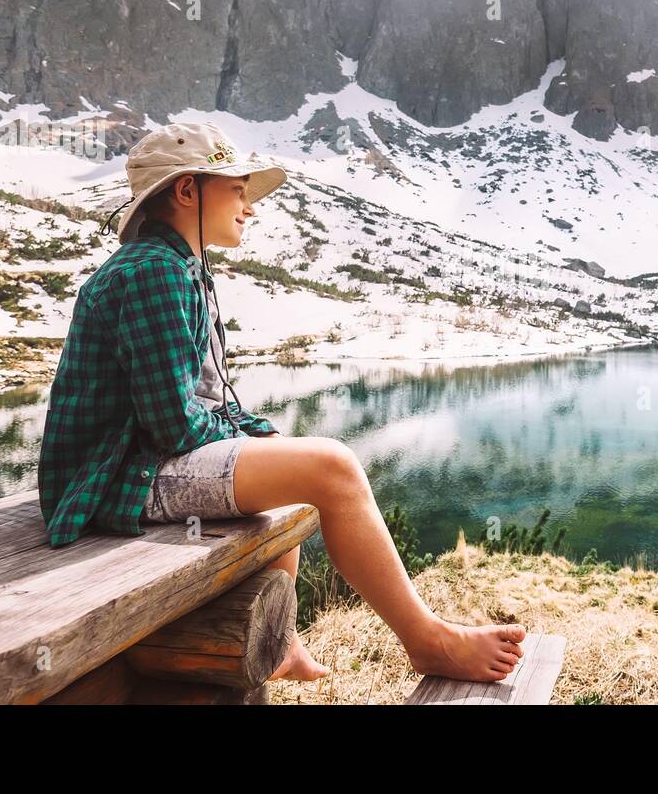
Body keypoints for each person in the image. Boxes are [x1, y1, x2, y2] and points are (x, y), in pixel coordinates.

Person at [37, 121, 524, 684]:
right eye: (238, 190)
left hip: (137, 462)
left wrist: (256, 435)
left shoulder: (180, 268)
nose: (249, 207)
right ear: (187, 191)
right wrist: (248, 442)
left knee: (285, 458)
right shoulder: (154, 272)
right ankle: (428, 640)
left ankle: (284, 640)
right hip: (113, 479)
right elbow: (172, 422)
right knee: (331, 467)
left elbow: (197, 404)